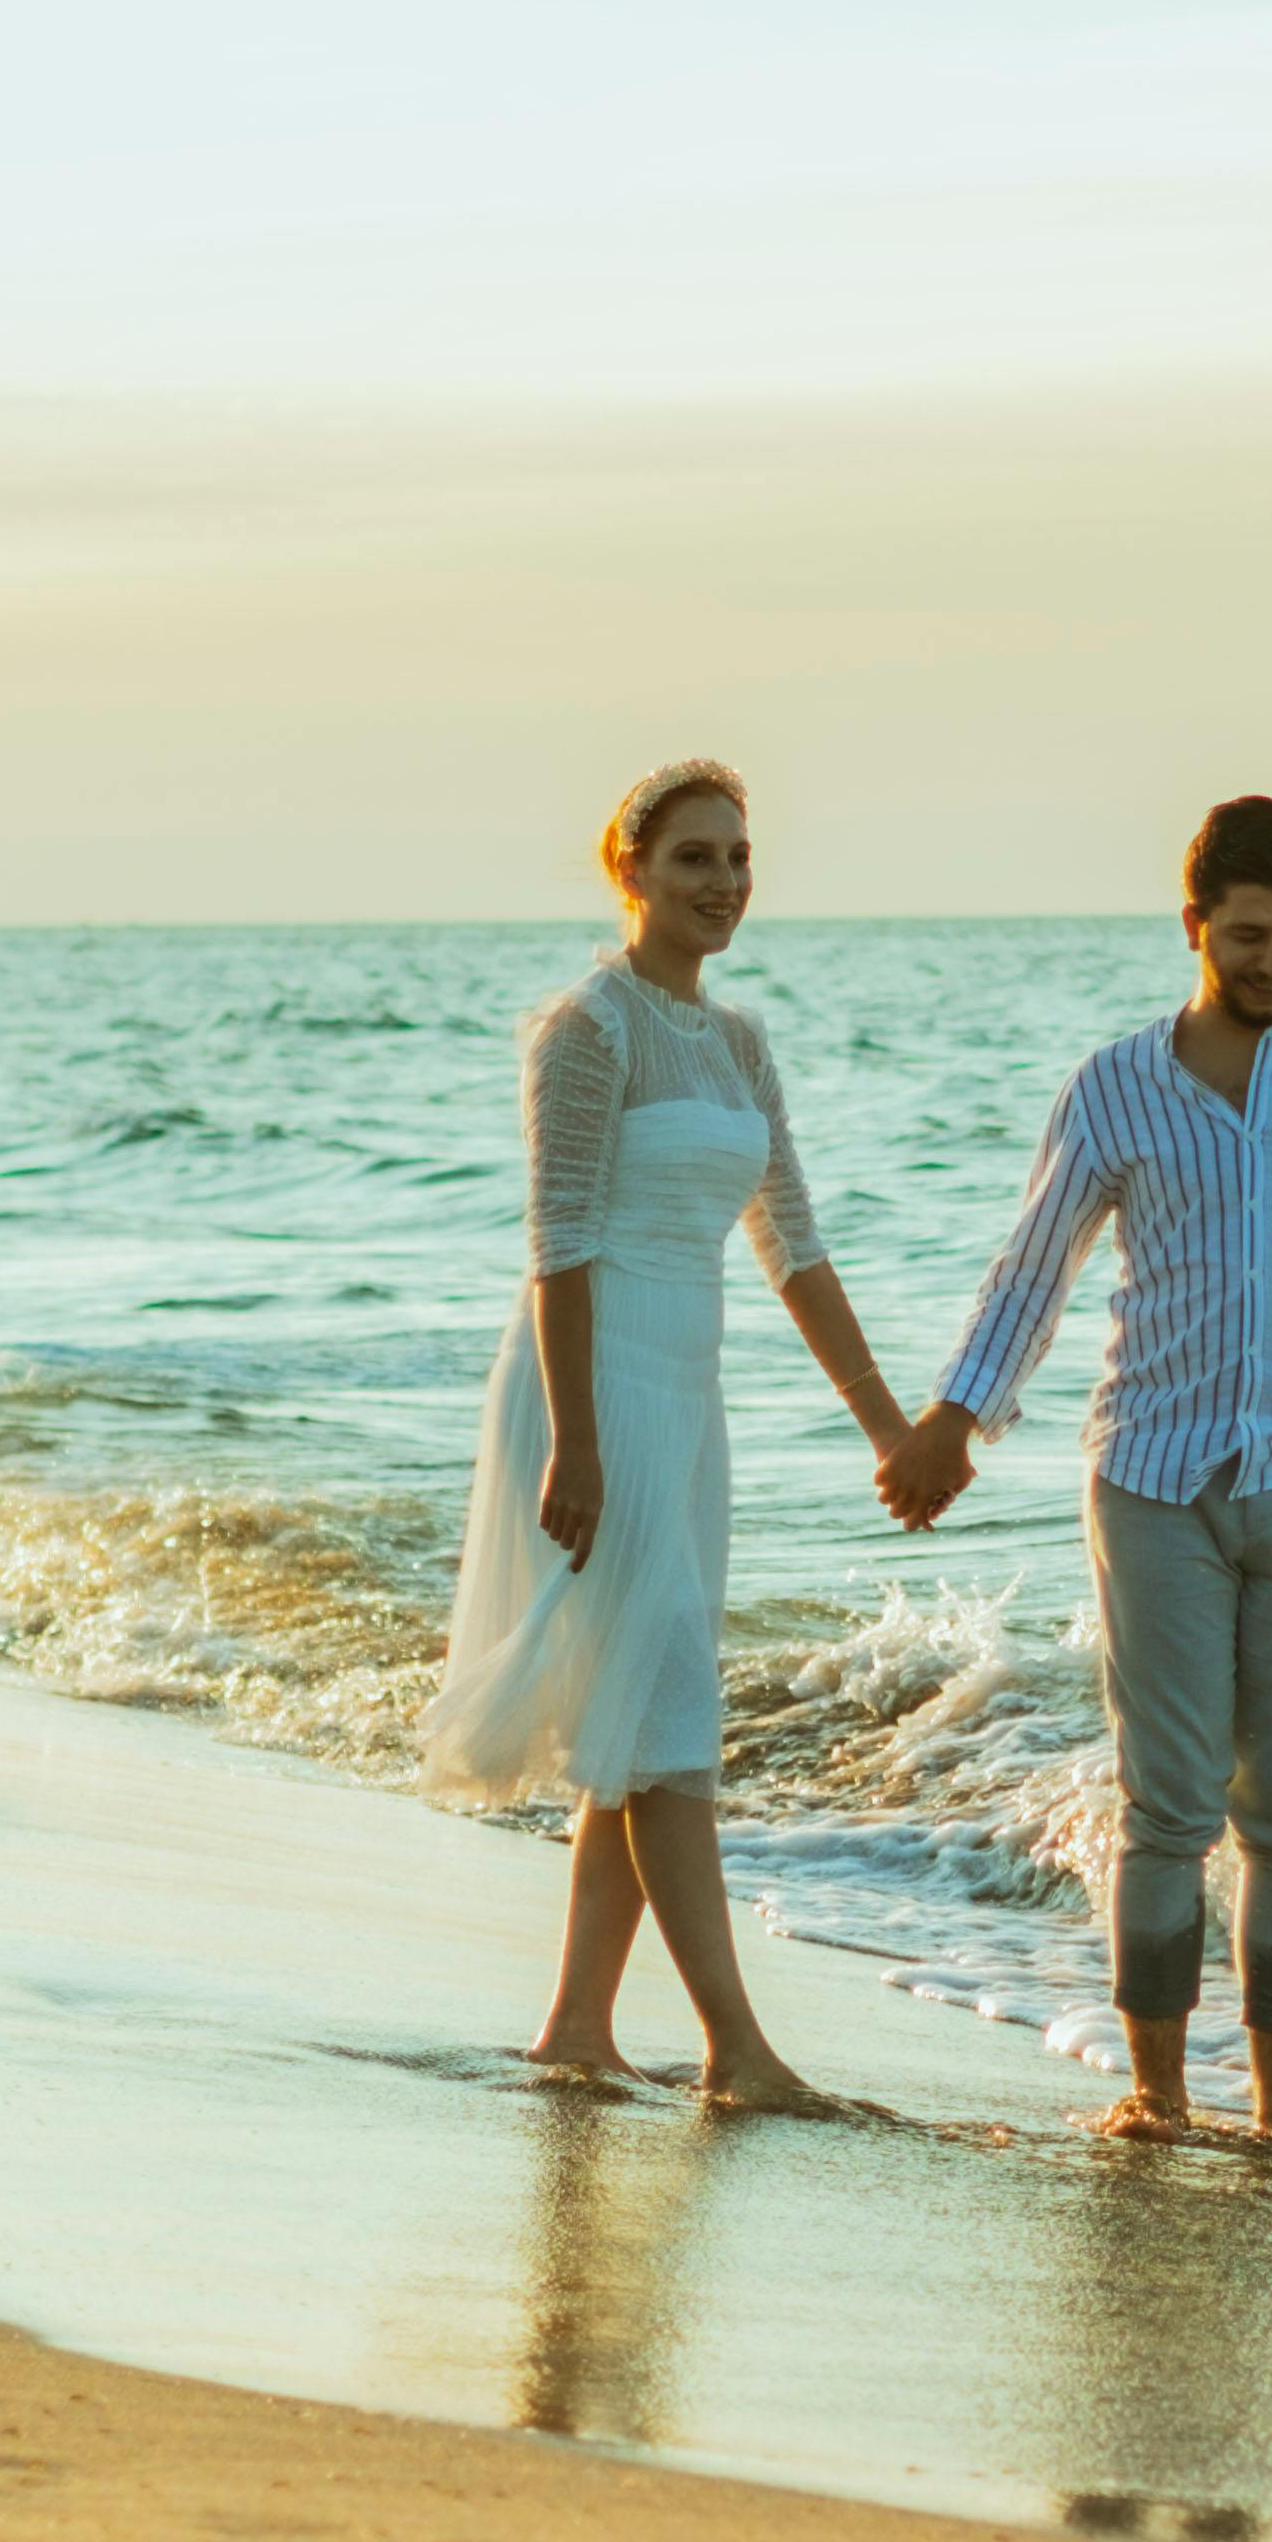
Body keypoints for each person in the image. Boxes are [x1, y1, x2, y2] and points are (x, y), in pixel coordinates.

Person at [881, 794, 1272, 2143]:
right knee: (1168, 1799)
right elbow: (1034, 1271)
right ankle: (1155, 2098)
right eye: (1250, 936)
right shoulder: (1116, 1088)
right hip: (1152, 1480)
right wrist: (952, 1422)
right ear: (1193, 925)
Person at [418, 759, 912, 2106]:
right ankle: (737, 2052)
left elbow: (794, 1245)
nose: (723, 885)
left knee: (639, 1700)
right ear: (628, 869)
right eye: (695, 859)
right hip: (595, 1383)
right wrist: (576, 1444)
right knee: (674, 1711)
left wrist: (889, 1427)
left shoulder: (738, 1042)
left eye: (740, 859)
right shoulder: (590, 1028)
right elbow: (558, 1247)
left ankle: (576, 2026)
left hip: (688, 1398)